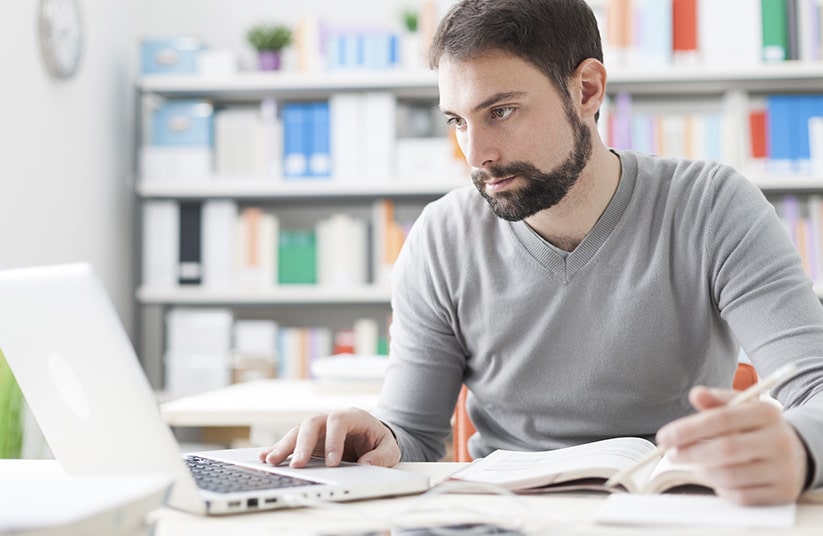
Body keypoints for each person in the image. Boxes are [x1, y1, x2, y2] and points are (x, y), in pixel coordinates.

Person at [261, 0, 823, 505]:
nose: (477, 154)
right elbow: (415, 436)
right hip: (499, 515)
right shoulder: (440, 236)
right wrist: (379, 436)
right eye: (458, 121)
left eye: (501, 110)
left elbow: (815, 385)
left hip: (667, 511)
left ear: (587, 90)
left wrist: (798, 449)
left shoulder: (711, 206)